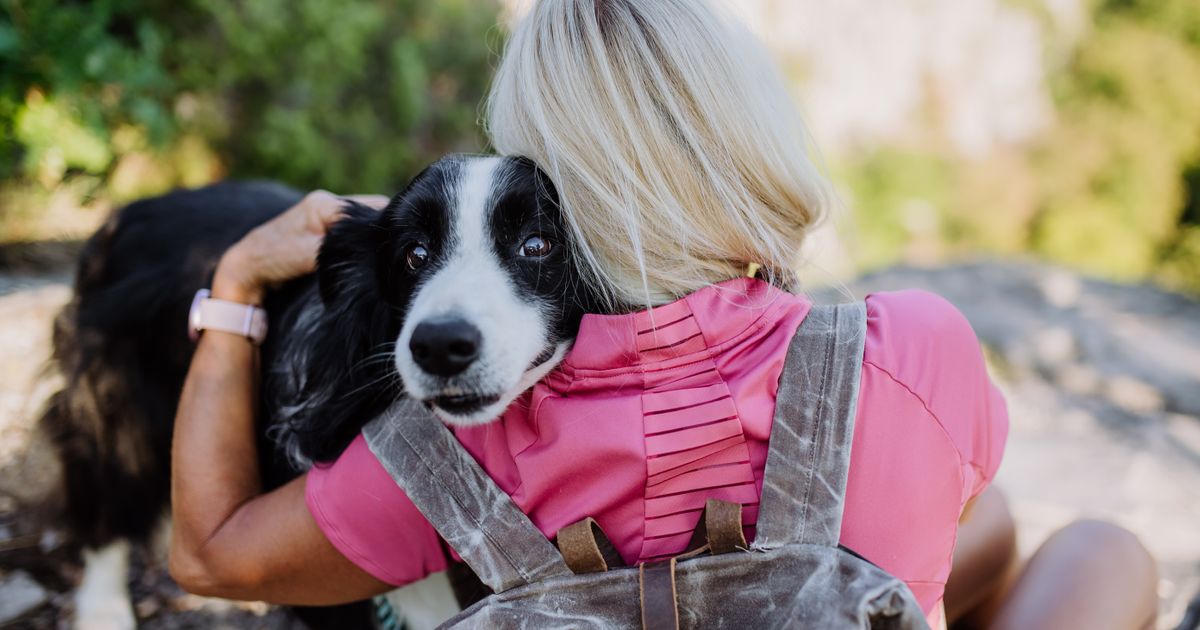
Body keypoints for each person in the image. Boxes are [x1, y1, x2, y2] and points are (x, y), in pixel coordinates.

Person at [168, 1, 1157, 628]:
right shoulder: (906, 350)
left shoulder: (466, 438)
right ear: (745, 148)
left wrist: (237, 288)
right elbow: (948, 497)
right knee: (1094, 550)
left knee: (997, 530)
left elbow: (209, 554)